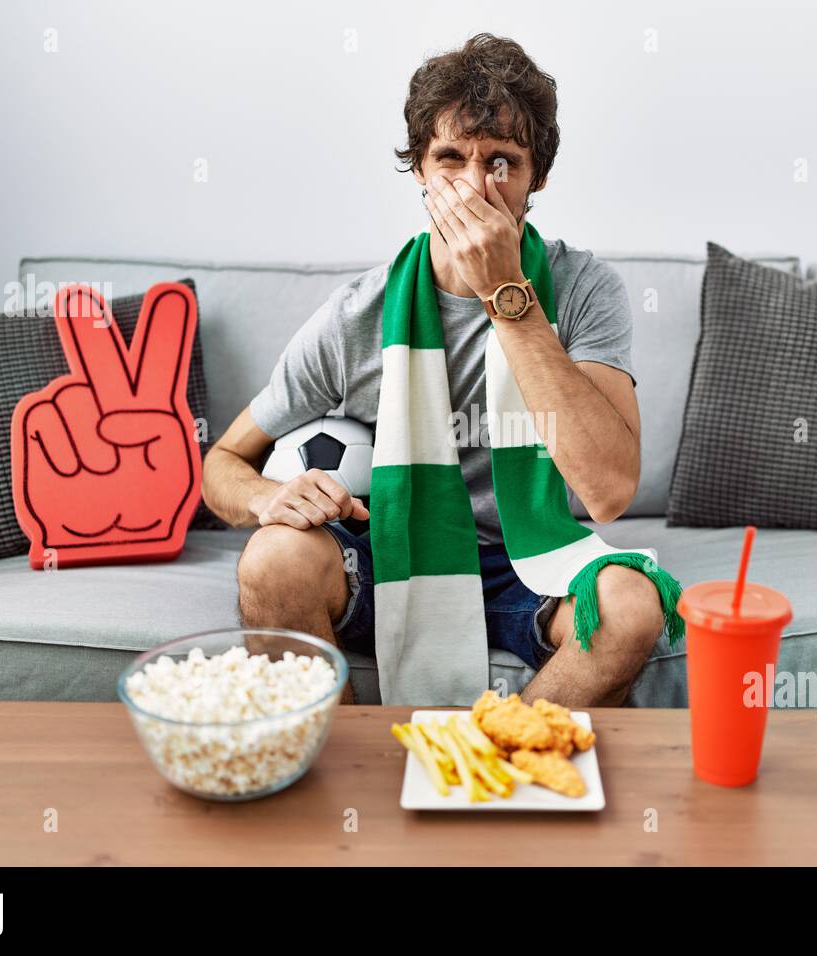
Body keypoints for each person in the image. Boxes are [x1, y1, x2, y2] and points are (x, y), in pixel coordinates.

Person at [203, 34, 668, 707]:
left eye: (502, 162)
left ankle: (495, 756)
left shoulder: (584, 289)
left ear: (537, 178)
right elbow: (221, 462)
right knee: (273, 557)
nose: (475, 187)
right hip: (393, 551)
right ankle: (353, 766)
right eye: (450, 158)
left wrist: (507, 295)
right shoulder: (358, 317)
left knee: (630, 606)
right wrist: (264, 499)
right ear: (419, 169)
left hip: (529, 561)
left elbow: (609, 491)